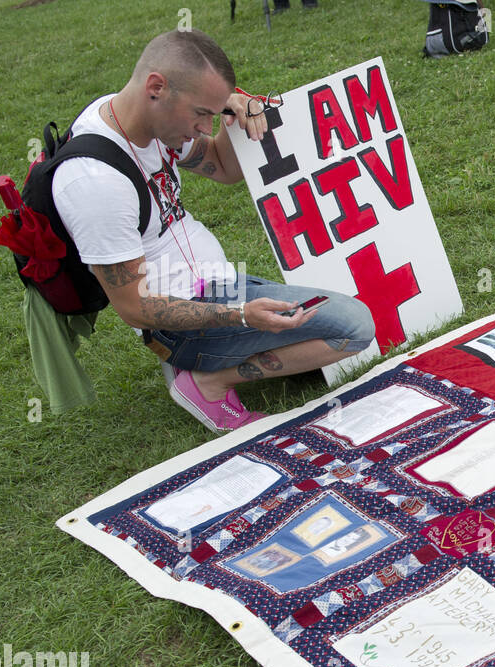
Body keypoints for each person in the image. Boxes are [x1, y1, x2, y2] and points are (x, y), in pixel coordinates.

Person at [51, 29, 374, 431]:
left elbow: (221, 166)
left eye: (212, 113)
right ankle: (207, 378)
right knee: (356, 327)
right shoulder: (94, 182)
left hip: (219, 287)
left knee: (318, 332)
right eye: (202, 113)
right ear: (156, 87)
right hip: (180, 323)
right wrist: (240, 315)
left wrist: (236, 119)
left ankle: (217, 360)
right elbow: (133, 306)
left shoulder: (142, 118)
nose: (205, 127)